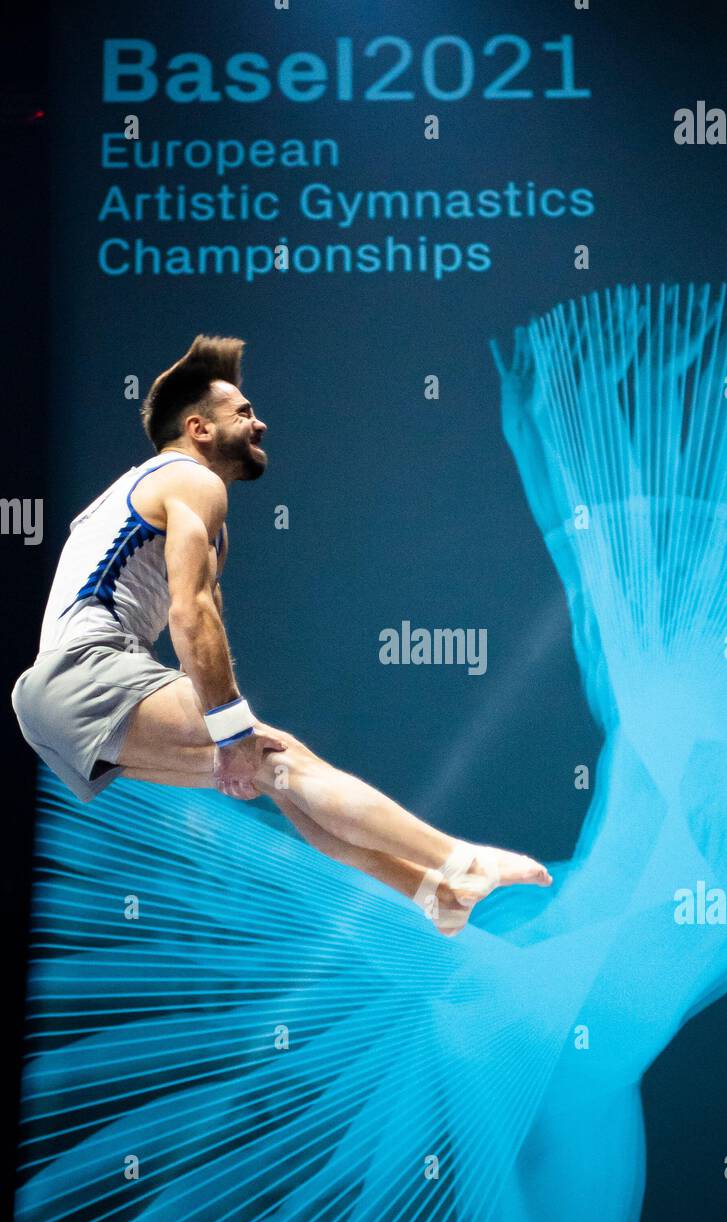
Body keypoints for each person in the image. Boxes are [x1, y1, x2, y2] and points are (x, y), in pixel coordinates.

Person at [11, 335, 552, 934]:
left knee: (276, 772)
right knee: (275, 751)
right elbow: (192, 615)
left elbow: (193, 622)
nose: (259, 422)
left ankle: (432, 892)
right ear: (199, 428)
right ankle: (459, 859)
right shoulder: (190, 480)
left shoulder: (175, 504)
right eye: (242, 412)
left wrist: (230, 734)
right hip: (87, 669)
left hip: (51, 704)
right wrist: (228, 728)